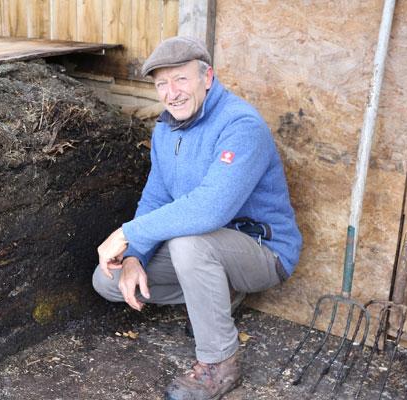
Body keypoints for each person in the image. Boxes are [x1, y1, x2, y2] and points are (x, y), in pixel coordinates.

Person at [92, 36, 302, 400]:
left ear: (208, 77)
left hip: (262, 250)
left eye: (181, 79)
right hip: (205, 249)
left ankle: (221, 363)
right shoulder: (166, 129)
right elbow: (157, 196)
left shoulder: (240, 125)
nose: (171, 92)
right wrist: (133, 255)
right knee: (108, 280)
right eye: (161, 83)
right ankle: (218, 294)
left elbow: (211, 208)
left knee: (189, 242)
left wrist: (127, 232)